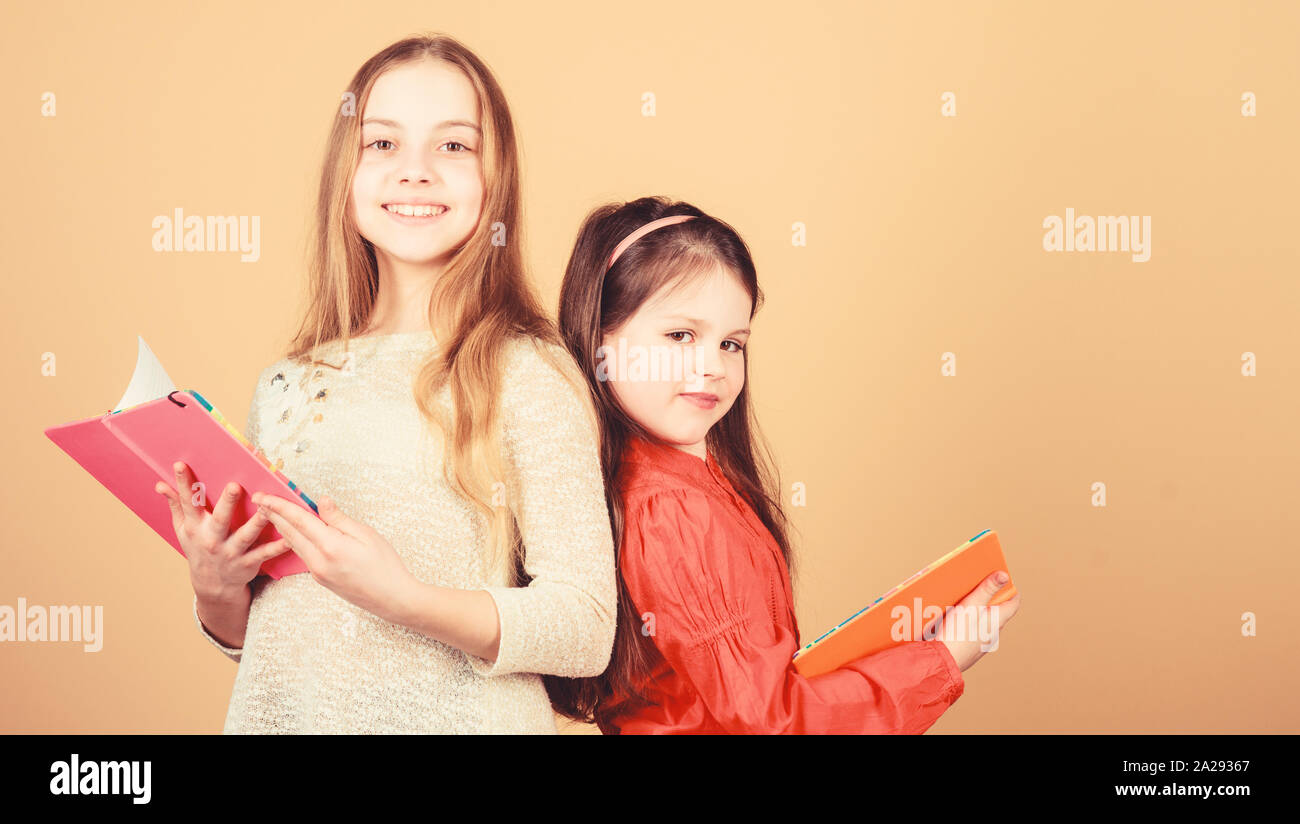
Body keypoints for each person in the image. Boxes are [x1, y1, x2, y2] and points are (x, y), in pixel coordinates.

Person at [154, 34, 616, 733]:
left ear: (498, 179)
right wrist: (215, 589)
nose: (416, 172)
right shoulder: (284, 387)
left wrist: (404, 598)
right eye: (383, 145)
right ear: (346, 172)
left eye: (454, 147)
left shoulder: (526, 372)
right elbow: (282, 637)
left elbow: (584, 627)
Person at [550, 196, 1022, 733]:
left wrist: (904, 639)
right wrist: (943, 657)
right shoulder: (671, 507)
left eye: (731, 343)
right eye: (680, 336)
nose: (712, 367)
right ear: (601, 341)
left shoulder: (687, 483)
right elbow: (771, 722)